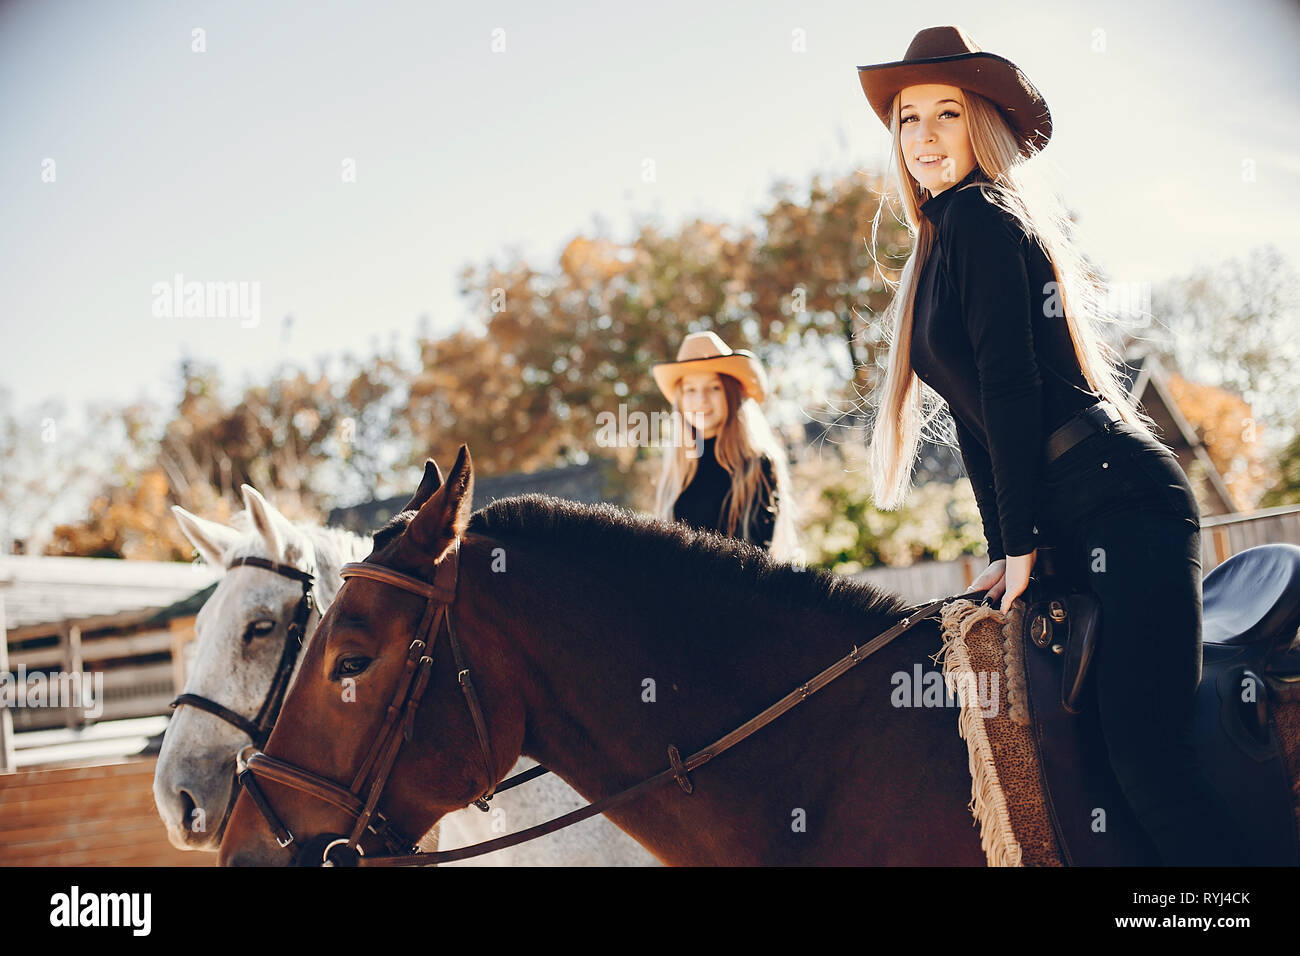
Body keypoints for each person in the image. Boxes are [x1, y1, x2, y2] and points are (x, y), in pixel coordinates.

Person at [856, 25, 1248, 865]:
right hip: (1071, 512)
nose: (923, 137)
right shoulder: (940, 240)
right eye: (907, 119)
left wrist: (1025, 539)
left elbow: (1010, 389)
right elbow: (970, 421)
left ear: (979, 125)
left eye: (945, 115)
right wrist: (1004, 545)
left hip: (1124, 506)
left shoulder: (984, 218)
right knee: (1086, 763)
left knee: (1150, 762)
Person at [651, 330, 798, 561]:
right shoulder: (675, 473)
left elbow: (757, 557)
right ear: (680, 400)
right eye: (690, 390)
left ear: (731, 394)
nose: (701, 400)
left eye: (714, 388)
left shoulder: (756, 466)